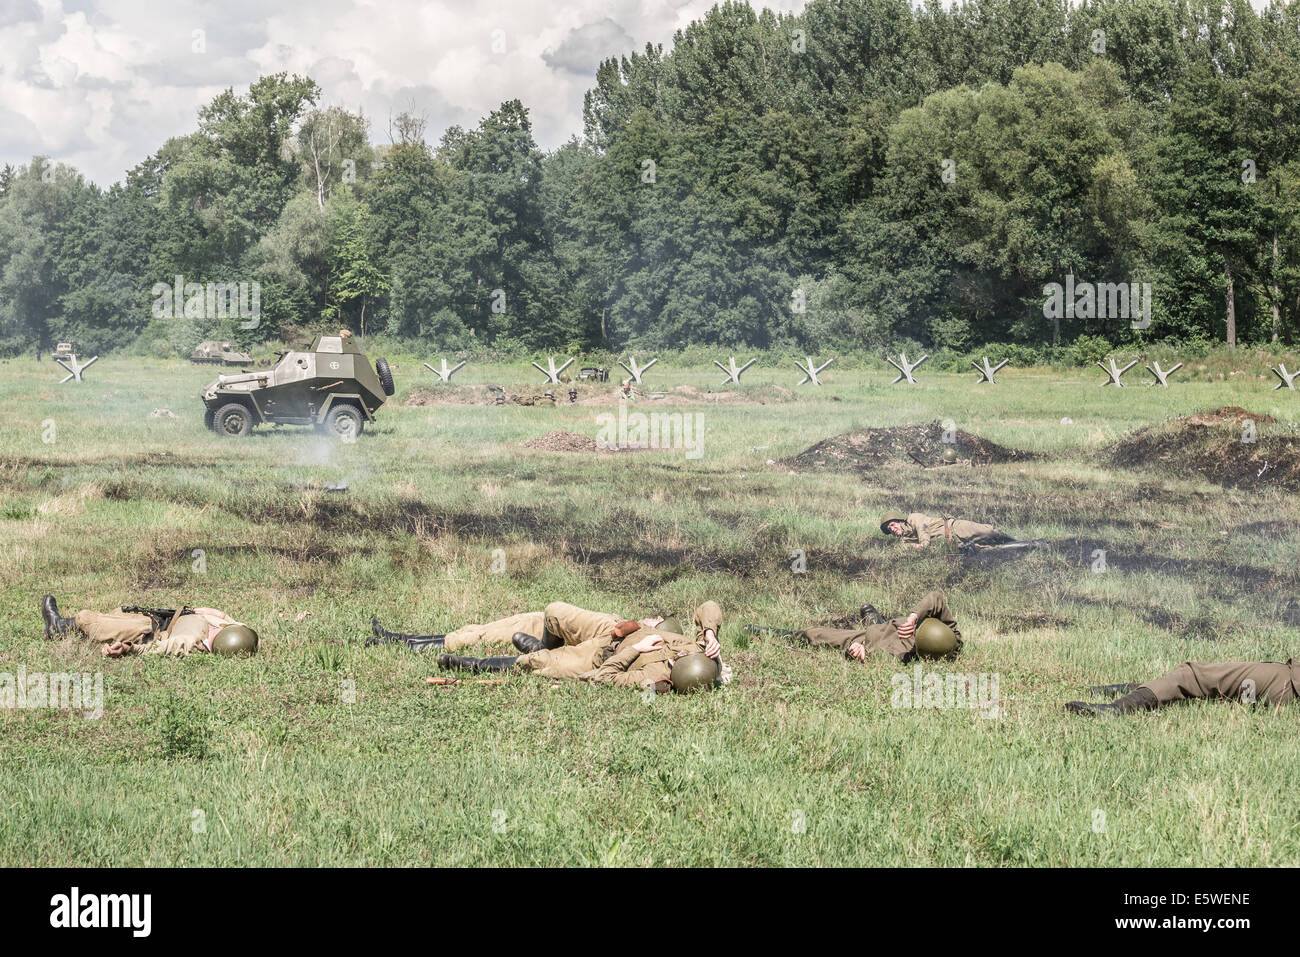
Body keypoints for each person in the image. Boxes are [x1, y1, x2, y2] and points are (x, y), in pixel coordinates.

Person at [438, 601, 725, 692]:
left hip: (600, 656)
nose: (683, 653)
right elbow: (709, 606)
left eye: (680, 660)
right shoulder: (699, 648)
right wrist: (710, 634)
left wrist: (636, 650)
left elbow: (606, 676)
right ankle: (541, 644)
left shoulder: (655, 677)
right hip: (613, 629)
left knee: (537, 665)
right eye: (689, 652)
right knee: (554, 612)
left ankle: (470, 664)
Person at [750, 591, 962, 662]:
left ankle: (773, 633)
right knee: (879, 624)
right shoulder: (954, 638)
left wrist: (862, 651)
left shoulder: (904, 654)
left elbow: (879, 651)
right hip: (894, 624)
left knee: (814, 634)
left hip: (876, 636)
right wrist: (913, 617)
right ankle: (875, 619)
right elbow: (936, 598)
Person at [40, 595, 254, 658]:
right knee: (116, 614)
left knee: (89, 620)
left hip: (148, 630)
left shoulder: (189, 641)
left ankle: (58, 627)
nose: (214, 630)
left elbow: (163, 648)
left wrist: (129, 649)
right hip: (157, 617)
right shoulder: (233, 628)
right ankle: (62, 628)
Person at [369, 600, 625, 652]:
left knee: (477, 637)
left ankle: (399, 646)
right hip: (544, 622)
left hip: (544, 635)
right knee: (476, 628)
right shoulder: (624, 623)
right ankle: (397, 637)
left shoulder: (625, 639)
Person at [1066, 659, 1300, 715]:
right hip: (1288, 685)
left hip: (1287, 681)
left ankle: (1116, 709)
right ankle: (1134, 691)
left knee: (1193, 675)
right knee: (1209, 690)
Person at [878, 510, 1044, 551]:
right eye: (889, 529)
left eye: (892, 525)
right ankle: (1031, 546)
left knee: (990, 533)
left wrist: (923, 544)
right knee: (993, 550)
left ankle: (1021, 540)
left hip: (956, 528)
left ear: (900, 520)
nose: (892, 529)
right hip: (954, 544)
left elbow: (923, 528)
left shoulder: (913, 518)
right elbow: (908, 549)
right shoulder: (905, 542)